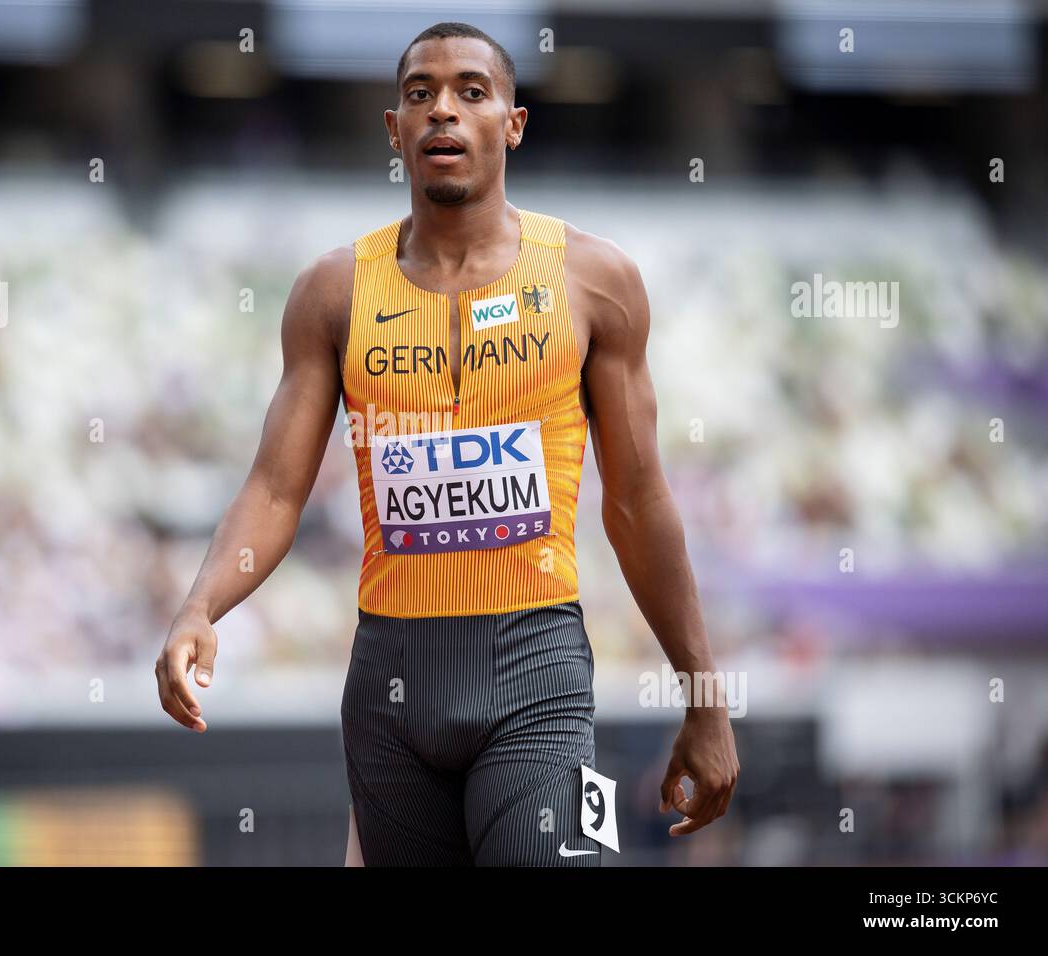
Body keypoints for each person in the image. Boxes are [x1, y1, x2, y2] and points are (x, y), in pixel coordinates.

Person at [156, 21, 739, 866]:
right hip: (390, 688)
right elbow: (276, 490)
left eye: (472, 91)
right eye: (420, 94)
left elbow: (639, 499)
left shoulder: (593, 281)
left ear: (513, 122)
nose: (444, 111)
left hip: (541, 677)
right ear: (393, 128)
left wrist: (705, 696)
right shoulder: (332, 291)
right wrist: (200, 605)